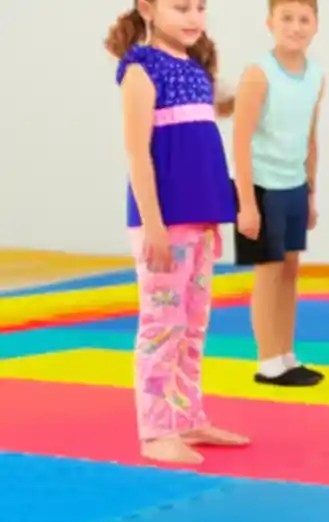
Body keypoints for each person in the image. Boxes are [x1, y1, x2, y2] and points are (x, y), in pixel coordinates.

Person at [106, 0, 249, 465]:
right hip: (163, 224)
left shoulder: (196, 69)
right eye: (181, 7)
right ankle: (154, 431)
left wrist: (213, 218)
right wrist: (154, 227)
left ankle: (187, 418)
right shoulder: (140, 70)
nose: (193, 17)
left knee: (192, 326)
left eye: (201, 8)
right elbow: (136, 155)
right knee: (160, 327)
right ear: (147, 8)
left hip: (201, 220)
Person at [232, 0, 326, 388]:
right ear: (270, 23)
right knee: (268, 274)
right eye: (286, 18)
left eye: (304, 19)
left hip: (293, 187)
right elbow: (240, 139)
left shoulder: (316, 76)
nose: (295, 26)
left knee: (290, 272)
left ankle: (287, 354)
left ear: (315, 26)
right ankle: (268, 360)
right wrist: (246, 204)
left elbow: (310, 137)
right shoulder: (258, 74)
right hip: (262, 187)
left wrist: (310, 194)